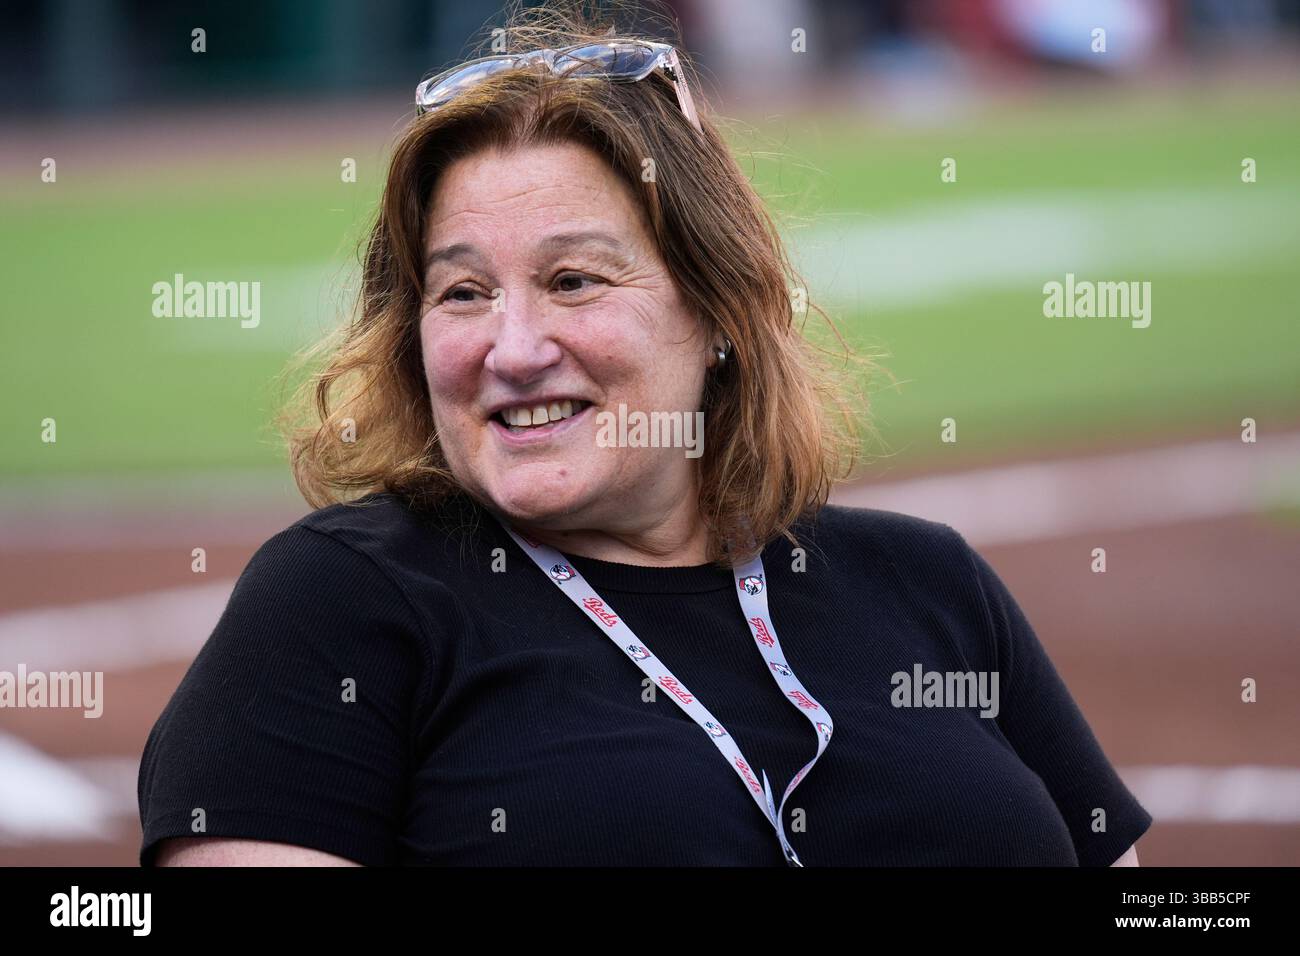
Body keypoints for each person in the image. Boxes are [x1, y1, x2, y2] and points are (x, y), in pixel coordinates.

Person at [137, 2, 1151, 867]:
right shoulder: (338, 604)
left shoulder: (928, 581)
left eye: (572, 280)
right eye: (462, 292)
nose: (514, 345)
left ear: (717, 309)